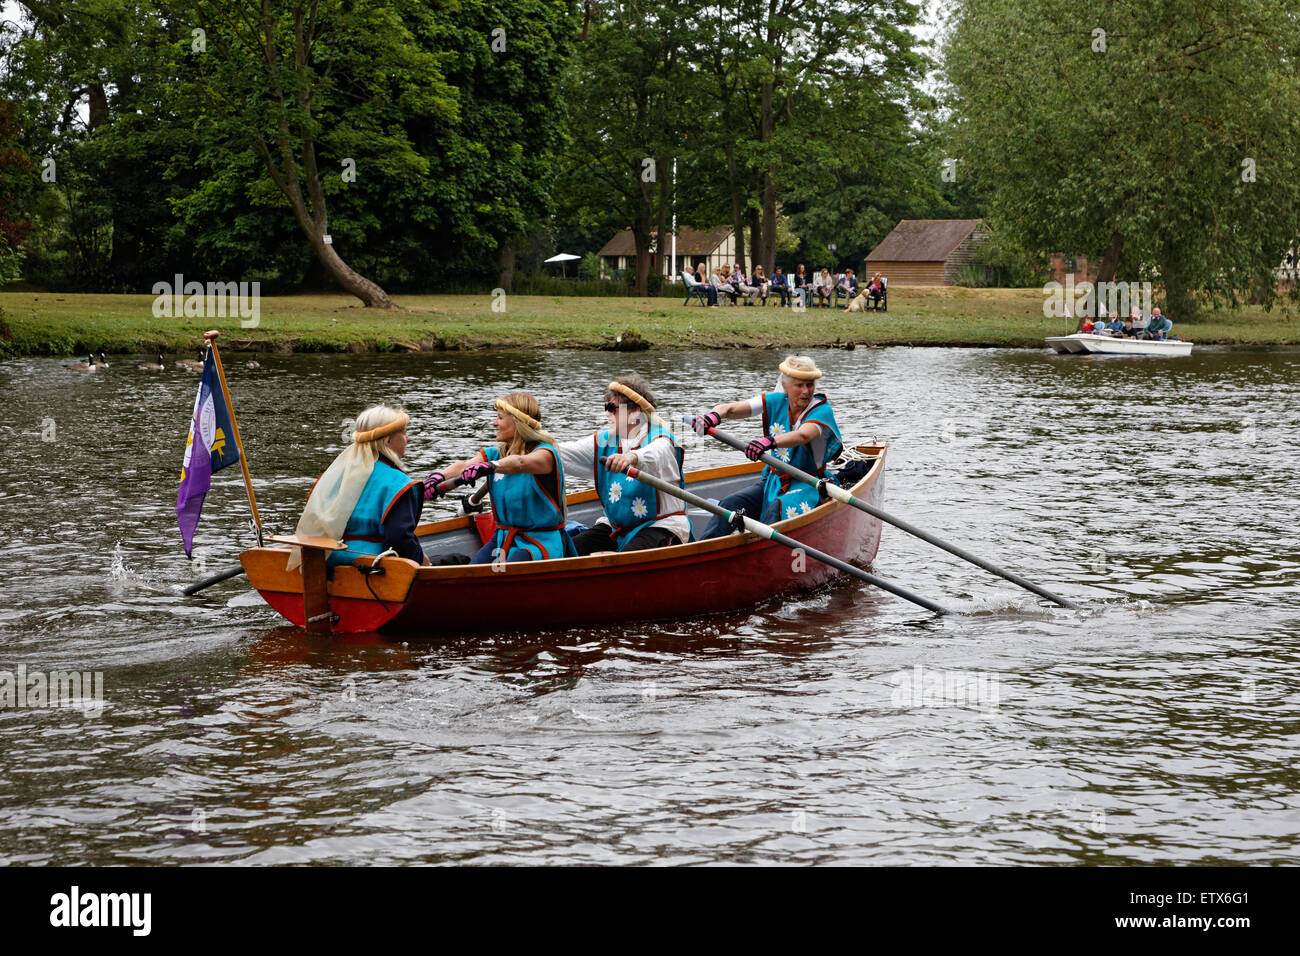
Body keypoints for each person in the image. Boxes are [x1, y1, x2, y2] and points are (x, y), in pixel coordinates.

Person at [692, 355, 843, 538]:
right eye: (799, 385)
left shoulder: (821, 410)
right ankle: (703, 551)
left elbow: (803, 435)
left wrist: (770, 441)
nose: (806, 391)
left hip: (808, 483)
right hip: (774, 480)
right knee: (729, 505)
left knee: (776, 509)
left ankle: (763, 557)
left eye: (809, 385)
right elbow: (729, 409)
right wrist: (713, 416)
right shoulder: (775, 401)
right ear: (785, 386)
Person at [428, 392, 577, 564]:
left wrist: (492, 466)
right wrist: (436, 478)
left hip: (540, 542)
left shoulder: (545, 454)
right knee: (471, 573)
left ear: (517, 422)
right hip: (503, 539)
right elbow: (463, 466)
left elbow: (520, 462)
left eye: (500, 417)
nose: (494, 423)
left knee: (508, 571)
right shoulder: (496, 453)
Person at [556, 374, 689, 555]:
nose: (606, 413)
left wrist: (631, 457)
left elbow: (655, 454)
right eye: (606, 407)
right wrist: (528, 448)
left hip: (661, 525)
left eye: (612, 408)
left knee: (624, 559)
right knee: (567, 553)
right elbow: (561, 453)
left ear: (634, 411)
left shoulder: (661, 439)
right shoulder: (604, 441)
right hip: (615, 528)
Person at [289, 404, 429, 572]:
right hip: (375, 568)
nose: (408, 438)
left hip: (326, 562)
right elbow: (399, 539)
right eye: (404, 433)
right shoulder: (399, 483)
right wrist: (422, 561)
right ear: (388, 440)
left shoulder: (333, 477)